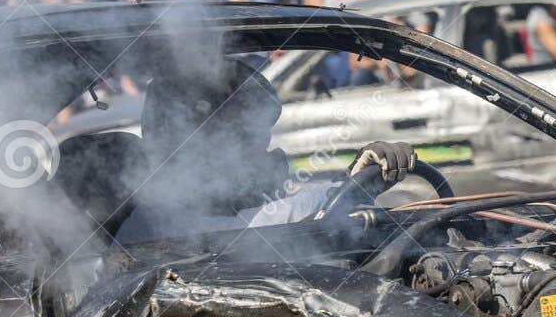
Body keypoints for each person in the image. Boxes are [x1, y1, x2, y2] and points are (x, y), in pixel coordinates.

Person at [115, 60, 419, 242]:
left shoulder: (226, 203)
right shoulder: (158, 225)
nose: (263, 146)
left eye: (261, 133)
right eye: (247, 134)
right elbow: (267, 222)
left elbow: (286, 206)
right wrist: (352, 188)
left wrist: (355, 180)